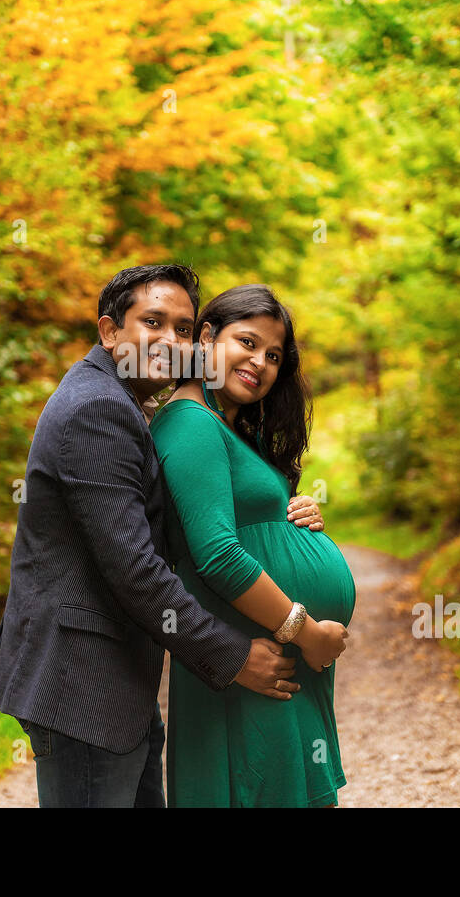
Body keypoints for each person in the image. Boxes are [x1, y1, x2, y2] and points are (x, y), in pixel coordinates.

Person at [0, 264, 346, 807]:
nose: (170, 341)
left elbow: (175, 530)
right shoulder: (98, 409)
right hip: (82, 677)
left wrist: (281, 519)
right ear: (109, 332)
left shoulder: (130, 404)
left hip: (116, 676)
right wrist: (237, 654)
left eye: (180, 327)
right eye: (153, 322)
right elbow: (136, 570)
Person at [149, 284, 357, 807]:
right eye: (247, 342)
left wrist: (297, 514)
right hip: (256, 661)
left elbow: (249, 519)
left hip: (275, 663)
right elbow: (216, 553)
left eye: (273, 356)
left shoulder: (232, 428)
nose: (259, 362)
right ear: (205, 337)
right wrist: (306, 632)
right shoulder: (190, 422)